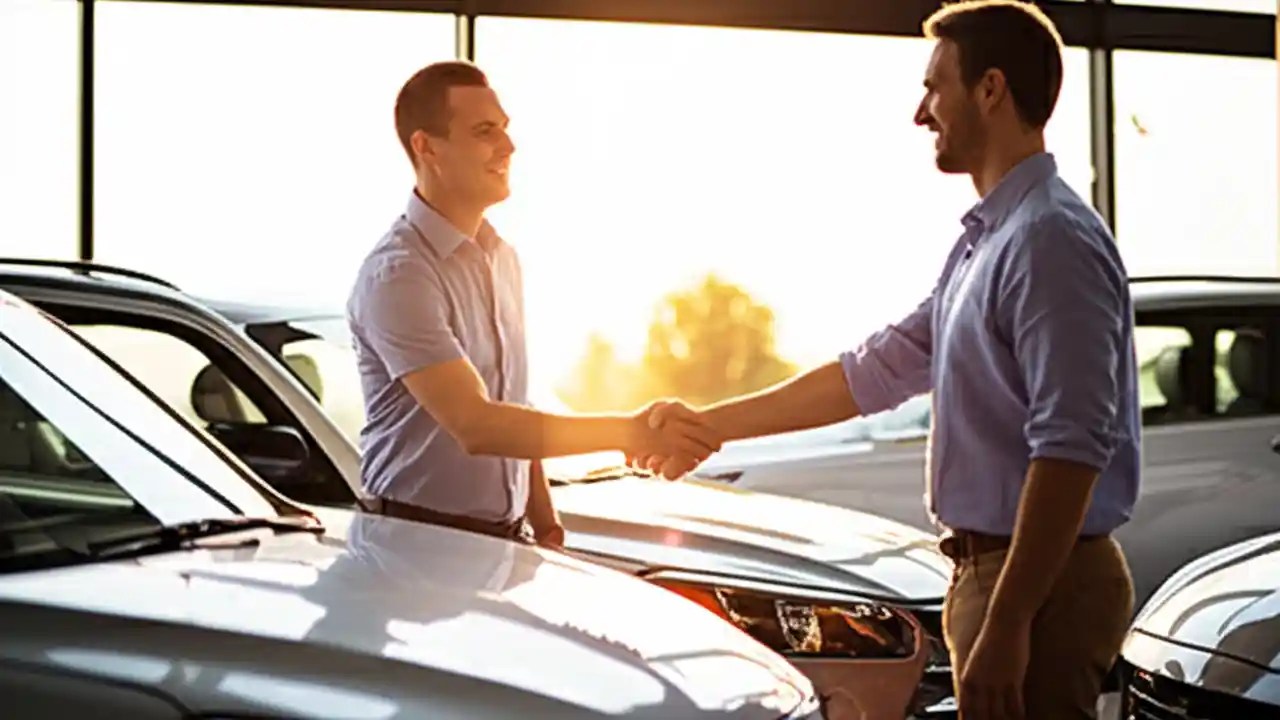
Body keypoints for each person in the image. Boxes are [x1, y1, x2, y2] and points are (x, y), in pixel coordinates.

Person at [638, 2, 1139, 718]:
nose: (921, 112)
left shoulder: (1048, 240)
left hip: (1037, 587)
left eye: (935, 86)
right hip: (998, 579)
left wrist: (1008, 618)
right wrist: (711, 426)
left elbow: (1071, 446)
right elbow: (871, 373)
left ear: (990, 90)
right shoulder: (989, 241)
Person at [347, 61, 719, 550]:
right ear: (427, 146)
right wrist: (633, 433)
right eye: (485, 132)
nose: (508, 147)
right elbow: (477, 425)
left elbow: (515, 409)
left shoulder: (503, 258)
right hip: (412, 548)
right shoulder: (399, 275)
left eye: (503, 129)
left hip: (501, 543)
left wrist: (544, 524)